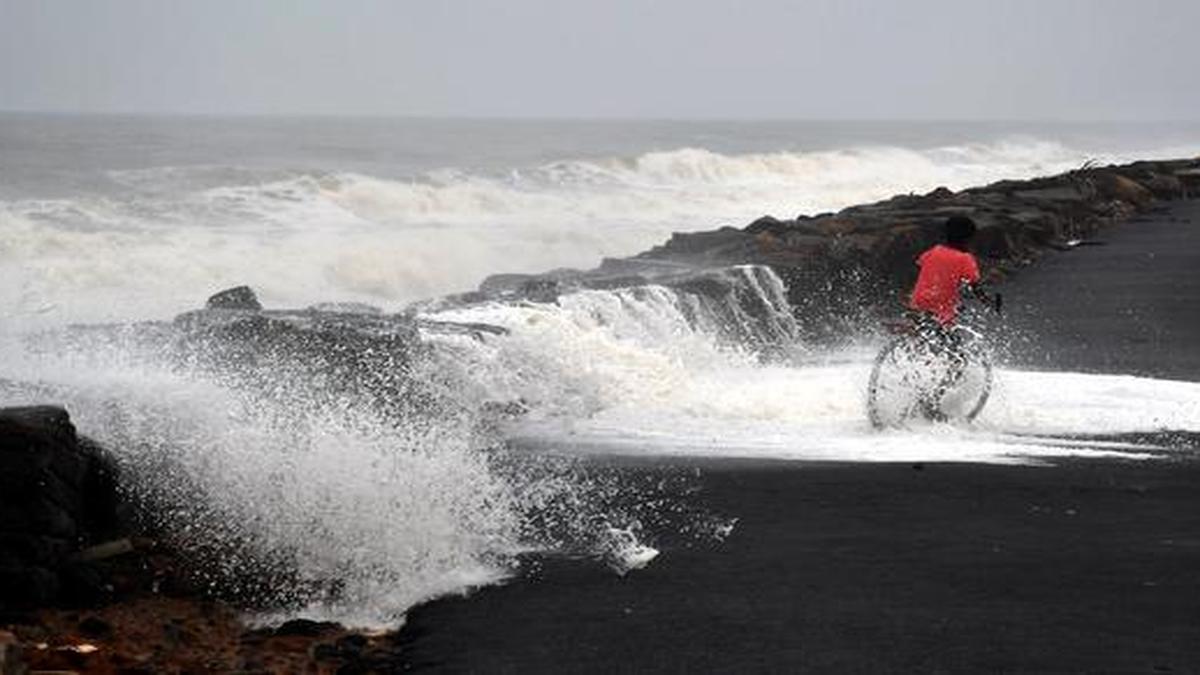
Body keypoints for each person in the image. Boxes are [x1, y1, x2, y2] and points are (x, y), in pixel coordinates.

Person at [907, 215, 1001, 419]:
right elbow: (975, 287)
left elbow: (923, 266)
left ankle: (915, 391)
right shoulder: (965, 259)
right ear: (969, 238)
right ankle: (931, 402)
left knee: (927, 350)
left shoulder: (933, 252)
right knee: (958, 362)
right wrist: (990, 303)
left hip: (918, 306)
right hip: (941, 314)